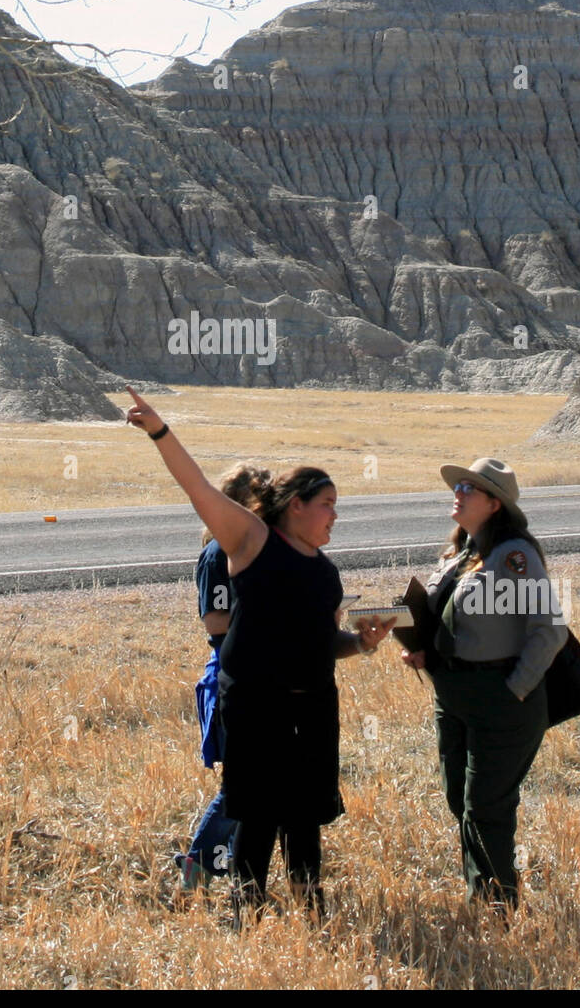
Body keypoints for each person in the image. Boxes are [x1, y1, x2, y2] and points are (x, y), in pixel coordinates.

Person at [124, 386, 392, 925]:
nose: (335, 517)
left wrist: (361, 644)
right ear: (296, 507)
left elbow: (322, 644)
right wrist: (159, 431)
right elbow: (197, 486)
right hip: (256, 707)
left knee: (305, 817)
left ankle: (310, 910)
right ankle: (245, 911)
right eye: (327, 506)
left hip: (313, 708)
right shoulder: (252, 541)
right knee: (257, 814)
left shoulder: (326, 571)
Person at [402, 458, 568, 914]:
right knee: (461, 799)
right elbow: (453, 624)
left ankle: (498, 908)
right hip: (453, 694)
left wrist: (514, 688)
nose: (457, 492)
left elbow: (549, 629)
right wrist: (424, 651)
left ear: (495, 504)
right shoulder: (461, 552)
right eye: (458, 485)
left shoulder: (514, 556)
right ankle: (484, 896)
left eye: (469, 488)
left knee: (485, 806)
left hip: (500, 697)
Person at [175, 463, 271, 890]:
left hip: (263, 675)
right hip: (235, 676)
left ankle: (234, 868)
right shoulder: (219, 554)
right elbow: (216, 622)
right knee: (243, 785)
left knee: (259, 782)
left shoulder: (260, 548)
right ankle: (197, 866)